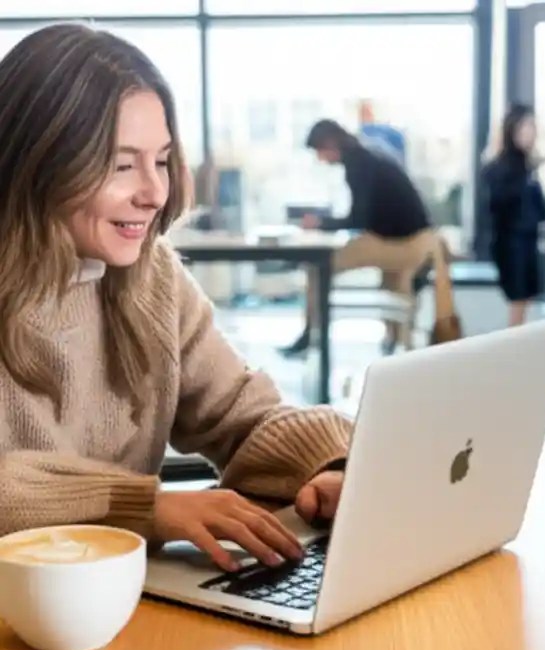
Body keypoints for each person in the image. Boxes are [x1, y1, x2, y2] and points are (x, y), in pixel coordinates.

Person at [0, 24, 353, 574]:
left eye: (161, 160)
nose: (154, 192)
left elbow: (240, 413)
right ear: (38, 162)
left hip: (127, 606)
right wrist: (145, 507)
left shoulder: (151, 277)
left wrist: (325, 468)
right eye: (120, 164)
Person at [281, 119, 436, 356]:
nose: (320, 159)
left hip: (401, 243)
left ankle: (310, 335)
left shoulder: (358, 165)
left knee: (318, 267)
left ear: (330, 144)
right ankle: (398, 344)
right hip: (418, 239)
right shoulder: (370, 156)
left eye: (320, 152)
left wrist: (321, 224)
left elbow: (358, 219)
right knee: (394, 285)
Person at [484, 105, 545, 327]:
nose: (531, 132)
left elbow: (541, 210)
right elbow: (497, 208)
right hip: (512, 245)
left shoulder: (527, 166)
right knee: (518, 300)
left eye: (533, 126)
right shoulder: (500, 167)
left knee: (526, 299)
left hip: (528, 242)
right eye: (526, 126)